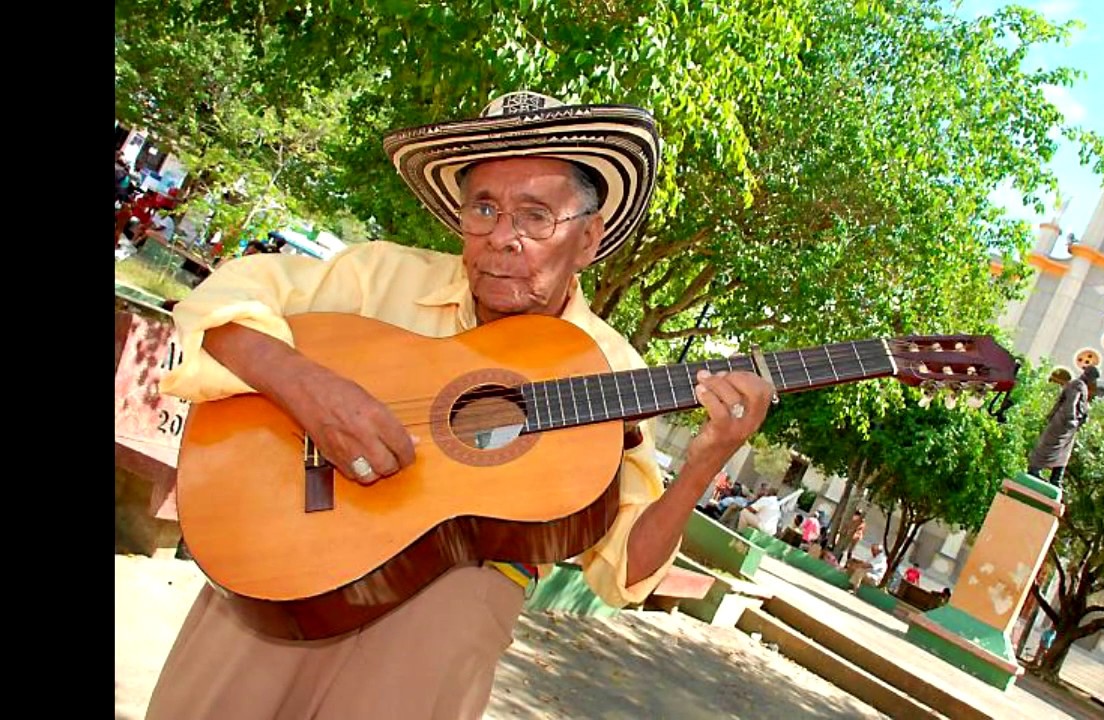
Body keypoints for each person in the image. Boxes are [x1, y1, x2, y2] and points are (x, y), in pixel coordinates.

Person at [143, 91, 777, 720]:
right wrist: (308, 388)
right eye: (484, 208)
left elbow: (622, 570)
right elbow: (222, 302)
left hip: (444, 629)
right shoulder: (380, 276)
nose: (502, 238)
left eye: (535, 216)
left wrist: (703, 463)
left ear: (588, 239)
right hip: (277, 575)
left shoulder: (611, 369)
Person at [1028, 365, 1100, 488]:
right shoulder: (1077, 384)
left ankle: (1056, 479)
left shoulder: (1080, 385)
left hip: (1068, 427)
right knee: (1050, 447)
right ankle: (1035, 469)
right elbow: (1071, 402)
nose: (1094, 382)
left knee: (1064, 452)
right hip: (1063, 424)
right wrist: (1071, 419)